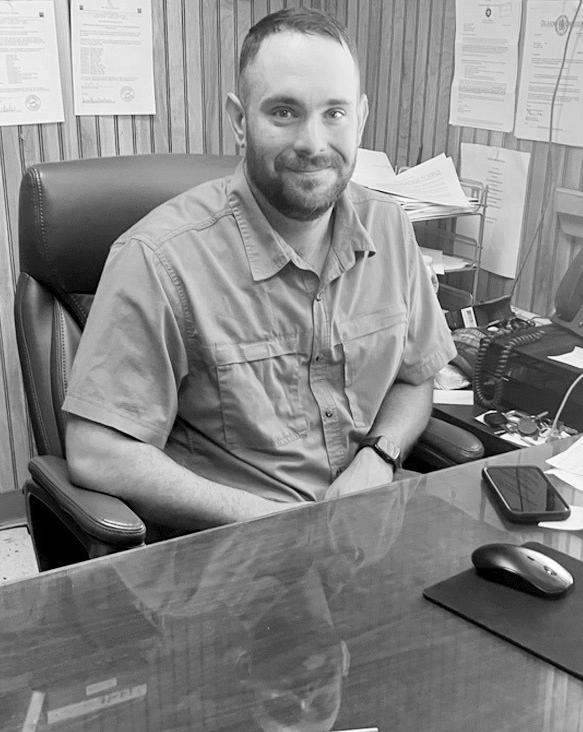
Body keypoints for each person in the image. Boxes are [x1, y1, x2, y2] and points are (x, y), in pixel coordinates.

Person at [62, 9, 455, 538]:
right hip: (231, 559)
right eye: (285, 112)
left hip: (369, 539)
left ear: (360, 117)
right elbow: (96, 451)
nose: (314, 143)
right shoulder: (159, 259)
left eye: (334, 113)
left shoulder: (389, 229)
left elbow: (416, 377)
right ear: (239, 119)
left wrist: (378, 457)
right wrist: (276, 523)